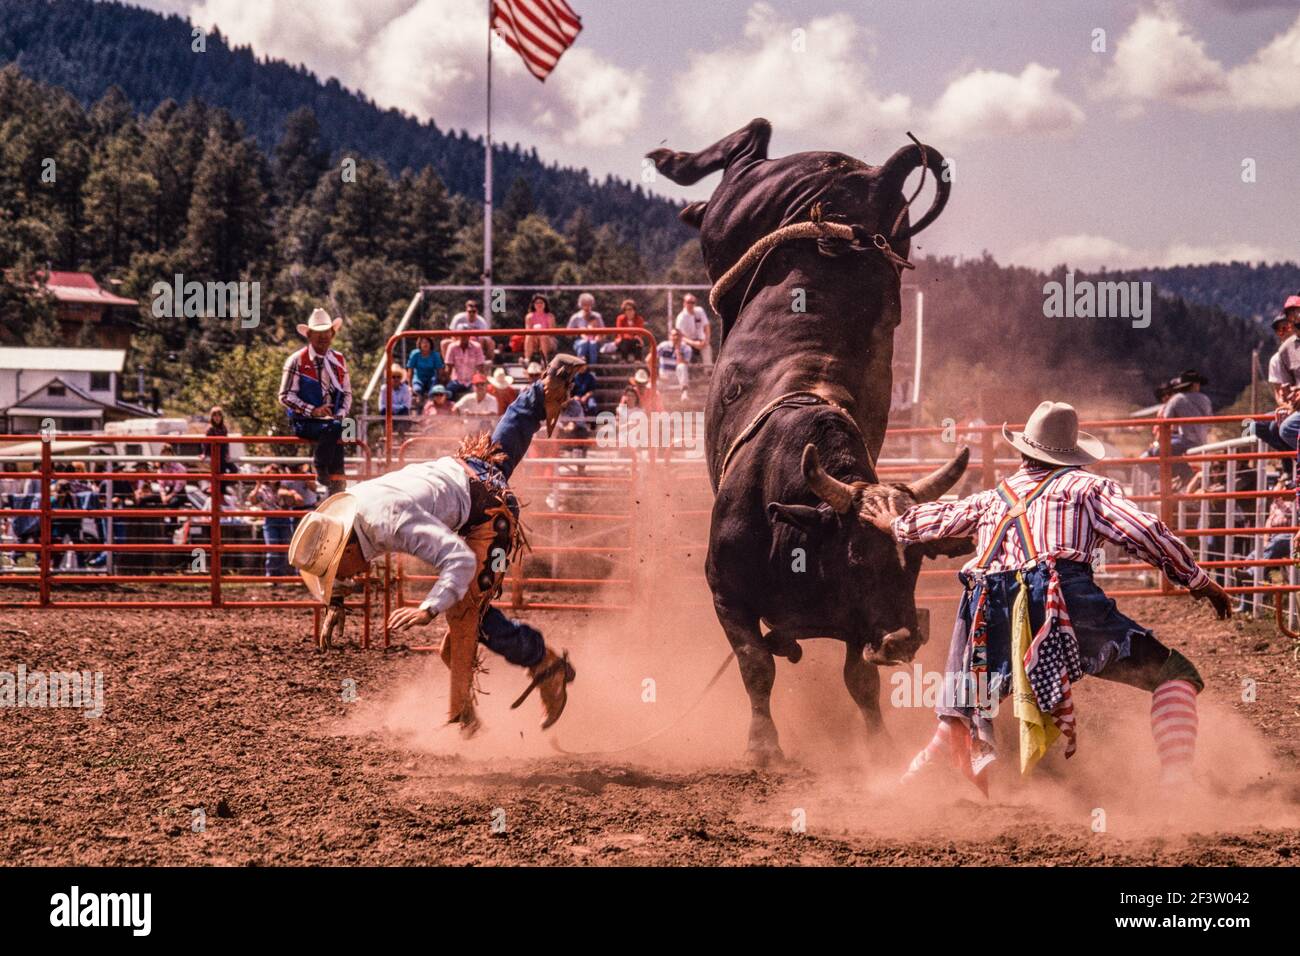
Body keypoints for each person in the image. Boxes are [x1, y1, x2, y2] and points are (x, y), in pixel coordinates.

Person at [860, 401, 1231, 794]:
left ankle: (903, 790)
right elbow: (1144, 530)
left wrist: (896, 525)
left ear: (1024, 451)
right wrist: (1197, 580)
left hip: (988, 606)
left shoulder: (993, 498)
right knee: (1172, 674)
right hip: (1061, 595)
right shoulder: (1088, 487)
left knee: (962, 711)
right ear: (1071, 455)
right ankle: (1176, 783)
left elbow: (940, 518)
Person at [287, 356, 588, 734]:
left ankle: (538, 668)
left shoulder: (389, 523)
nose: (347, 581)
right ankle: (544, 389)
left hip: (487, 513)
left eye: (337, 577)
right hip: (472, 471)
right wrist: (335, 601)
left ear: (346, 551)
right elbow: (330, 536)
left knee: (464, 614)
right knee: (462, 628)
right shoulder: (356, 507)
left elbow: (458, 560)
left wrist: (428, 608)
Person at [279, 307, 352, 495]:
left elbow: (347, 393)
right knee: (335, 430)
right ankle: (326, 471)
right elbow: (285, 396)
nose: (323, 337)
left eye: (326, 332)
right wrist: (313, 410)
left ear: (332, 333)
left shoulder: (338, 360)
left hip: (331, 420)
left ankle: (335, 483)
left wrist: (341, 413)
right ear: (309, 335)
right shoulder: (296, 360)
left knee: (343, 428)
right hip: (304, 420)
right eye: (318, 333)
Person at [249, 464, 301, 578]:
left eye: (275, 473)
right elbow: (252, 500)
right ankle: (272, 575)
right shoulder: (263, 489)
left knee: (284, 549)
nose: (273, 476)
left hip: (285, 519)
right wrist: (257, 485)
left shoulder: (284, 486)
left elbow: (297, 500)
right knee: (272, 548)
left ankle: (281, 575)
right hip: (270, 520)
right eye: (270, 474)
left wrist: (291, 495)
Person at [510, 294, 556, 362]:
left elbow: (552, 333)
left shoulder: (550, 316)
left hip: (547, 341)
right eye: (537, 303)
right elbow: (527, 331)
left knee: (543, 336)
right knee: (529, 336)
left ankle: (544, 360)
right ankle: (527, 360)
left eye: (541, 302)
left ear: (545, 304)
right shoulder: (529, 317)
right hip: (534, 340)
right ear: (533, 305)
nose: (539, 304)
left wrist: (541, 333)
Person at [405, 337, 445, 411]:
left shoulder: (435, 355)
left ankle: (429, 409)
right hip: (418, 378)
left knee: (433, 390)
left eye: (427, 342)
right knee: (417, 389)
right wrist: (410, 385)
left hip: (431, 378)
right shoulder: (415, 354)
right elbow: (410, 370)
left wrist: (440, 383)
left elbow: (439, 370)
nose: (425, 344)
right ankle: (418, 411)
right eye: (423, 342)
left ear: (430, 344)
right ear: (420, 344)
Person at [445, 334, 487, 401]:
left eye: (466, 335)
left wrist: (479, 381)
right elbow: (448, 367)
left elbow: (480, 367)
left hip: (472, 380)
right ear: (458, 335)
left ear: (469, 335)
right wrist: (446, 382)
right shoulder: (452, 347)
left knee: (479, 392)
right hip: (456, 380)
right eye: (462, 335)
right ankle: (449, 410)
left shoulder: (477, 347)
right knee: (447, 393)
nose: (464, 337)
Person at [567, 293, 604, 366]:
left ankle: (593, 369)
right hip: (579, 340)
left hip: (594, 340)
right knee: (583, 343)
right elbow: (568, 333)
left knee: (592, 344)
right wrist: (578, 332)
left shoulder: (597, 316)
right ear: (581, 305)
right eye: (585, 304)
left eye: (589, 304)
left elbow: (603, 331)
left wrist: (598, 336)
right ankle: (579, 367)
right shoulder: (576, 317)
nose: (587, 307)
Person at [657, 328, 693, 400]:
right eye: (674, 335)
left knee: (682, 366)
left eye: (678, 335)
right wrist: (657, 375)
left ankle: (684, 394)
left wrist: (677, 350)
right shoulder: (663, 346)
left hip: (677, 377)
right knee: (652, 384)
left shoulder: (686, 348)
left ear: (681, 337)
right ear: (670, 336)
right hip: (664, 376)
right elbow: (649, 360)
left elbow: (682, 364)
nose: (676, 337)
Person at [674, 293, 711, 364]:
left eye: (692, 302)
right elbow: (679, 335)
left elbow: (706, 326)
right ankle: (687, 372)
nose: (690, 304)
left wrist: (706, 340)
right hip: (687, 342)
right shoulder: (681, 317)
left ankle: (708, 372)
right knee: (686, 350)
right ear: (684, 303)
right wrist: (694, 343)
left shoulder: (700, 311)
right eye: (688, 302)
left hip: (701, 341)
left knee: (707, 348)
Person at [203, 406, 237, 475]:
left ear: (221, 417)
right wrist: (204, 454)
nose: (217, 418)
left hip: (223, 454)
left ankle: (224, 483)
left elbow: (226, 442)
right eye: (215, 416)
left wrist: (227, 453)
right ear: (212, 417)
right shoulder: (210, 429)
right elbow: (206, 443)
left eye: (219, 415)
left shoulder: (223, 428)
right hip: (215, 455)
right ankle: (222, 484)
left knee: (234, 469)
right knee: (220, 473)